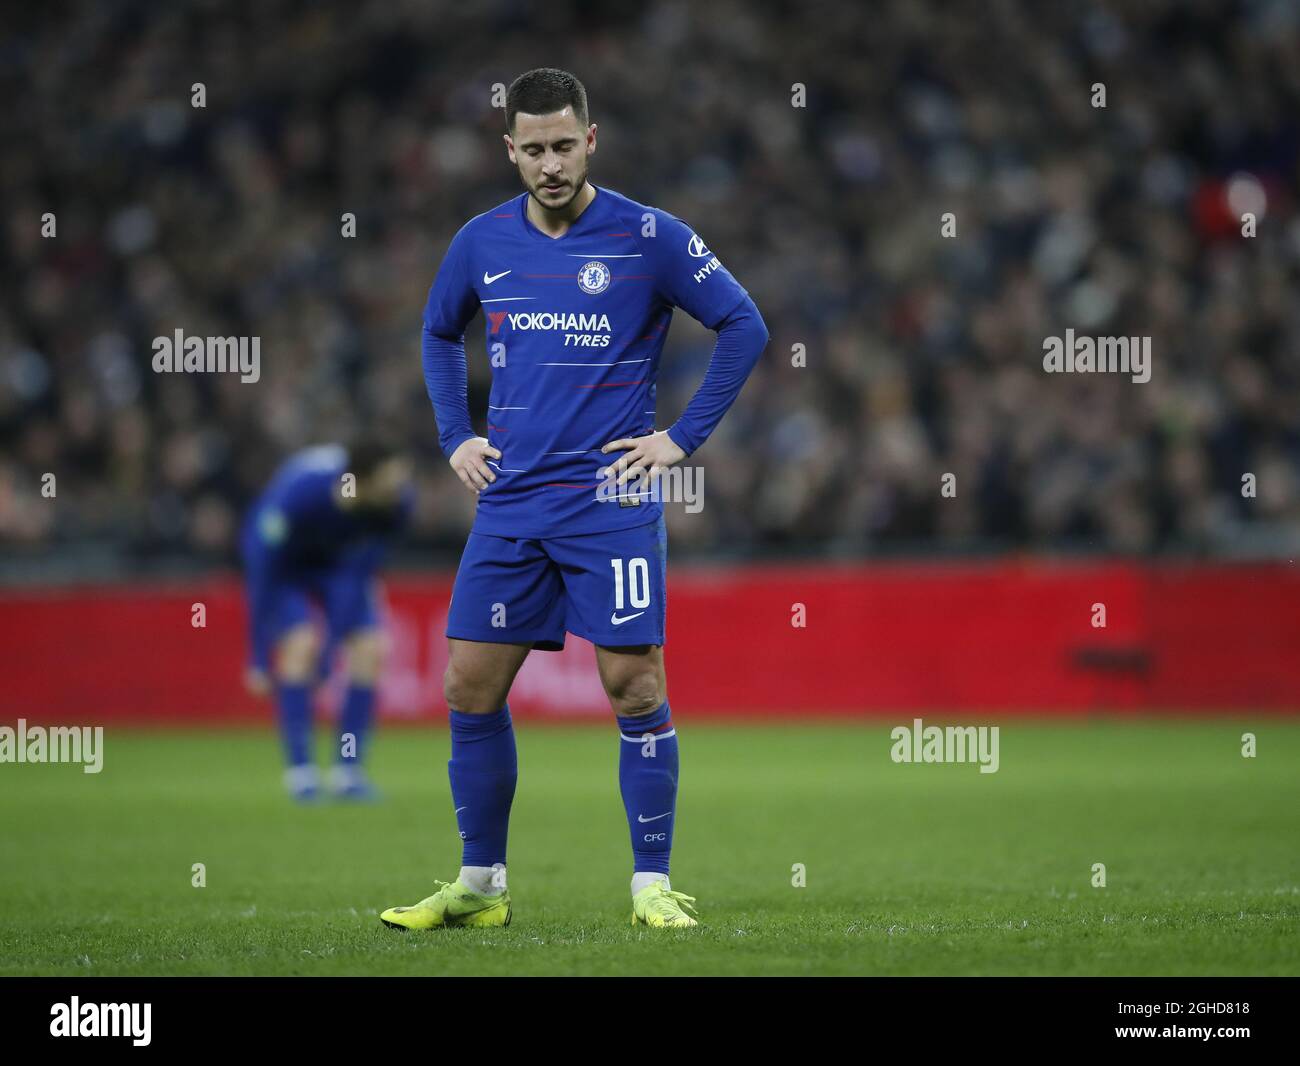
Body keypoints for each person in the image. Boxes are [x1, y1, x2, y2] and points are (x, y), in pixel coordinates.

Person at [380, 68, 768, 930]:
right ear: (508, 149)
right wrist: (455, 434)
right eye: (534, 149)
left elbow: (745, 323)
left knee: (633, 686)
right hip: (512, 501)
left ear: (591, 141)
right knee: (468, 687)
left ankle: (651, 886)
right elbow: (440, 329)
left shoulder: (650, 235)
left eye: (565, 146)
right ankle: (480, 889)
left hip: (608, 501)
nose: (550, 164)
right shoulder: (480, 242)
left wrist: (680, 438)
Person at [241, 440, 413, 801]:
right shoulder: (302, 493)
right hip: (287, 568)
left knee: (369, 649)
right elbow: (263, 568)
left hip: (337, 570)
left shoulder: (395, 506)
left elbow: (356, 576)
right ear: (361, 482)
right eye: (387, 484)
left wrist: (331, 652)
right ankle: (301, 773)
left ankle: (347, 771)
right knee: (301, 643)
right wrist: (257, 657)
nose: (397, 491)